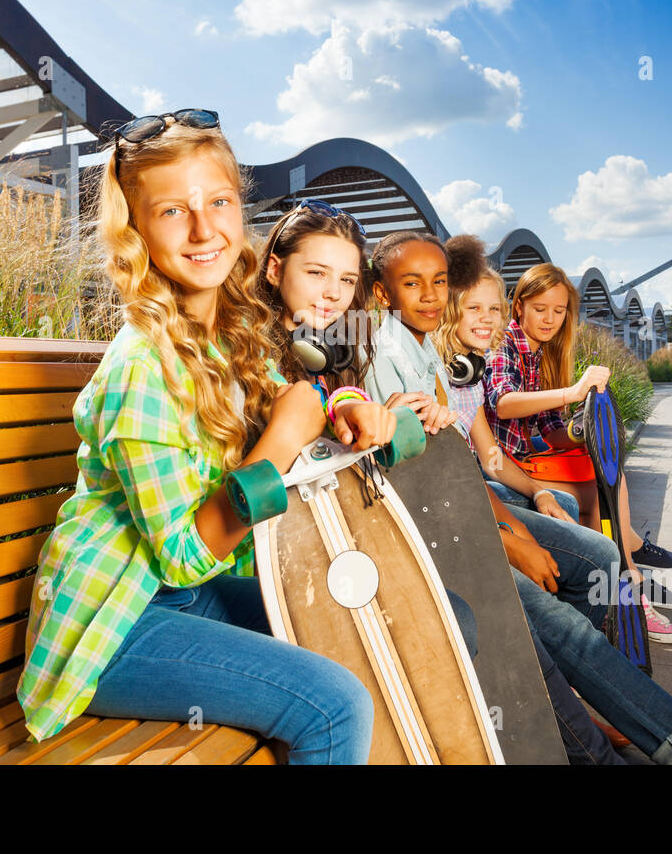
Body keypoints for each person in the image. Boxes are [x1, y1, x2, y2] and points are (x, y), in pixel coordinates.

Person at [17, 110, 409, 764]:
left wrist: (342, 406)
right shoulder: (141, 368)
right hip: (114, 622)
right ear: (136, 230)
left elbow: (295, 379)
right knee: (336, 706)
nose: (205, 230)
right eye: (173, 211)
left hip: (190, 598)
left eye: (219, 202)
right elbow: (179, 556)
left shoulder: (224, 334)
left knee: (368, 623)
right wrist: (283, 438)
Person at [363, 230, 672, 764]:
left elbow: (477, 460)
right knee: (557, 623)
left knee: (595, 552)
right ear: (382, 293)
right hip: (439, 531)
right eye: (415, 284)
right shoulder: (381, 353)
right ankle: (640, 733)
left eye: (440, 283)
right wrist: (510, 532)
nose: (433, 295)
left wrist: (532, 506)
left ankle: (583, 696)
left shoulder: (429, 359)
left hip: (473, 502)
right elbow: (433, 478)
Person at [258, 204, 623, 763]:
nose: (332, 293)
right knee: (498, 608)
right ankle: (577, 738)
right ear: (273, 269)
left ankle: (572, 727)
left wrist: (373, 412)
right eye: (316, 273)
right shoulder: (271, 357)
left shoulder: (342, 355)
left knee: (541, 577)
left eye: (345, 280)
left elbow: (371, 425)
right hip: (331, 543)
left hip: (386, 516)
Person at [484, 263, 672, 641]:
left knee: (606, 475)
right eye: (540, 308)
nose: (550, 319)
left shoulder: (543, 353)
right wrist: (571, 393)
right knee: (604, 494)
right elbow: (503, 403)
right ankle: (632, 579)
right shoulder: (505, 343)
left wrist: (588, 431)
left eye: (559, 310)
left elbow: (549, 430)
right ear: (519, 307)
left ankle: (628, 570)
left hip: (525, 458)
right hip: (499, 465)